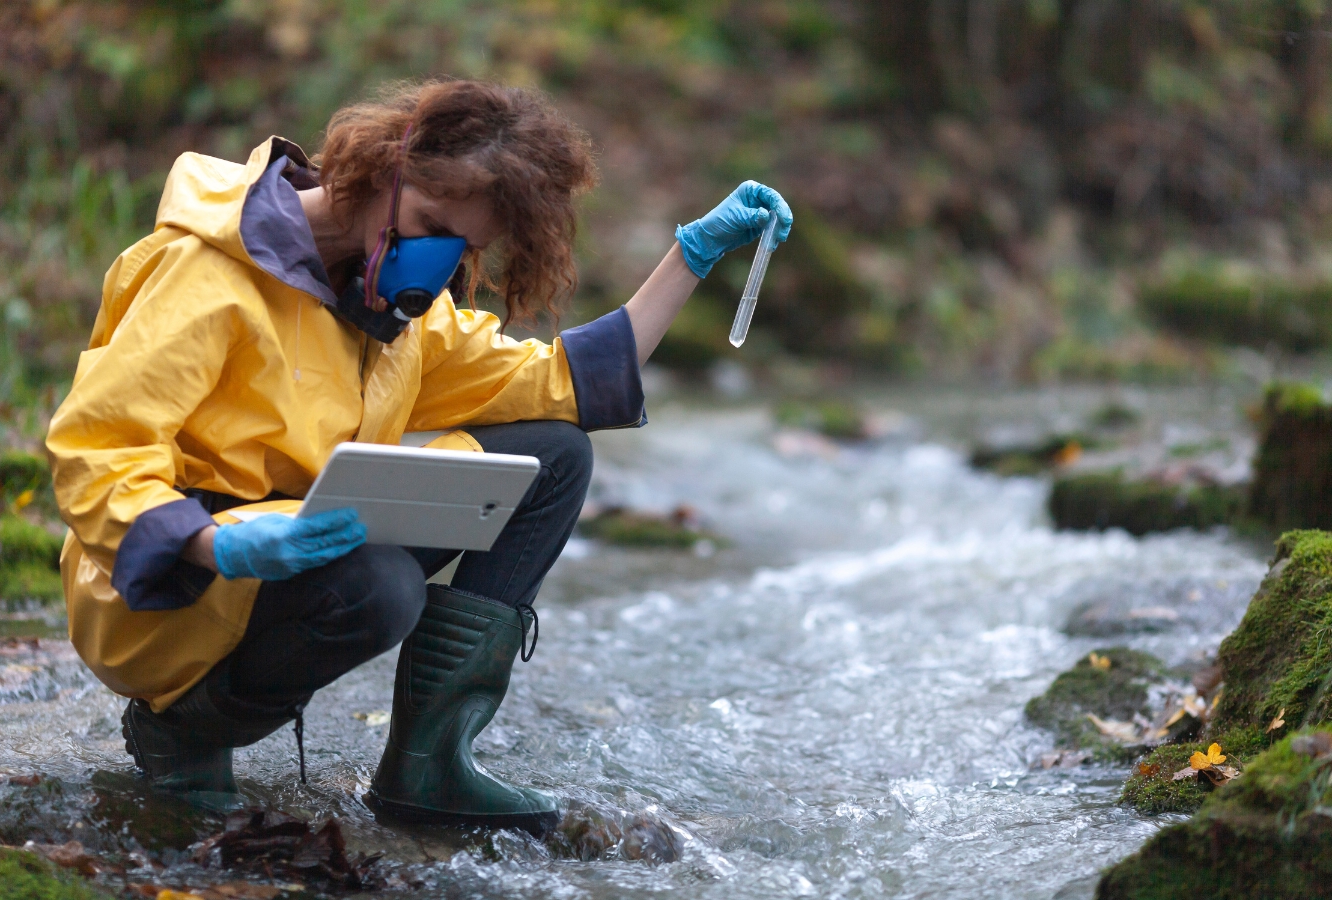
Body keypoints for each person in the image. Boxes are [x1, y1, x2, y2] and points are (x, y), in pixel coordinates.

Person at [45, 78, 792, 831]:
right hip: (163, 583)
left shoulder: (394, 313)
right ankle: (181, 732)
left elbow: (561, 385)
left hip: (297, 548)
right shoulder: (205, 275)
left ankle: (429, 765)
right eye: (431, 224)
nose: (436, 262)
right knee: (383, 588)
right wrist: (215, 544)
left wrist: (690, 257)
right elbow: (96, 450)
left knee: (554, 455)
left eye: (463, 247)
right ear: (381, 167)